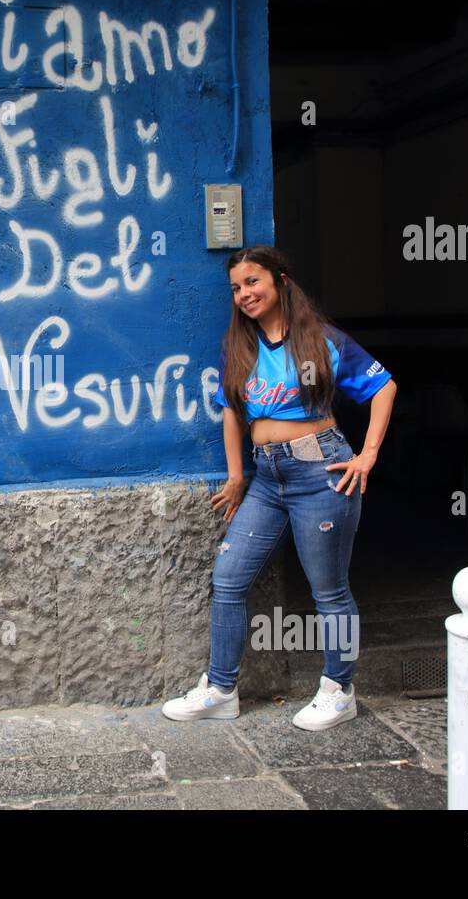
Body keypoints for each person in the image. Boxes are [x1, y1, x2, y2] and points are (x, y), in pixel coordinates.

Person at [162, 245, 397, 731]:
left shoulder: (321, 340)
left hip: (322, 473)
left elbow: (383, 386)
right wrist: (236, 476)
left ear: (280, 281)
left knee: (329, 590)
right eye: (236, 288)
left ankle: (339, 689)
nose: (244, 294)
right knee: (228, 578)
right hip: (267, 479)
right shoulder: (238, 346)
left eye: (252, 282)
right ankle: (221, 689)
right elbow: (232, 412)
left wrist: (368, 455)